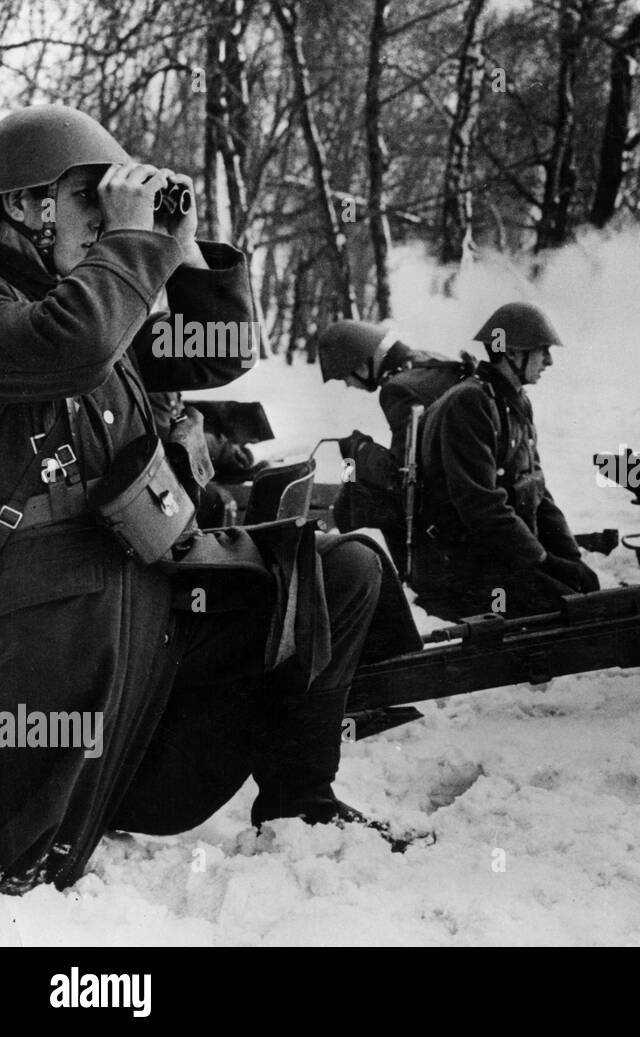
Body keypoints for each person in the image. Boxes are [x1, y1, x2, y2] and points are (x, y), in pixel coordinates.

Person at [0, 105, 419, 894]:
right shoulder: (48, 315)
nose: (107, 217)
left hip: (142, 655)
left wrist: (174, 238)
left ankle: (302, 805)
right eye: (90, 194)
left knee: (342, 570)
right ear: (23, 204)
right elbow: (73, 344)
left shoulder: (91, 298)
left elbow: (220, 352)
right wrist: (129, 246)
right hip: (52, 694)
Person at [412, 302, 599, 619]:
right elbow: (481, 505)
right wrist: (544, 561)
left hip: (496, 555)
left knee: (583, 598)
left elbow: (537, 490)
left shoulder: (513, 402)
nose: (550, 361)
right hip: (459, 567)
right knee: (564, 610)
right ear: (512, 353)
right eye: (542, 351)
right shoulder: (470, 403)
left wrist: (571, 558)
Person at [318, 320, 476, 573]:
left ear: (362, 364)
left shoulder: (398, 388)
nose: (348, 384)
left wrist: (357, 449)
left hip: (445, 519)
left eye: (345, 375)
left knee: (360, 475)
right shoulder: (428, 362)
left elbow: (401, 477)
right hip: (467, 492)